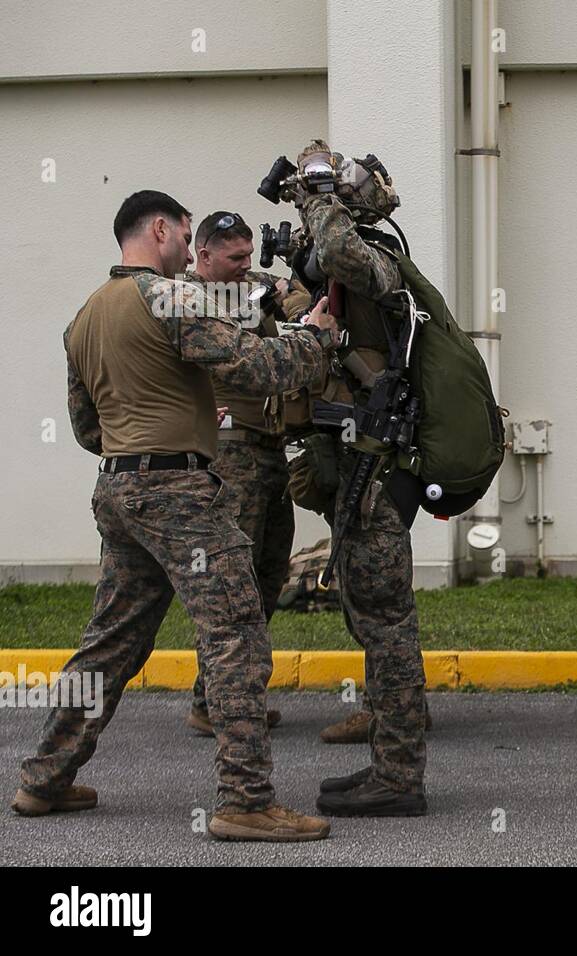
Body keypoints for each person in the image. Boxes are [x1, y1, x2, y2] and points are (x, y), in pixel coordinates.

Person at [13, 190, 337, 841]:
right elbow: (255, 367)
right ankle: (244, 801)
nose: (190, 251)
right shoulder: (170, 298)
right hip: (180, 494)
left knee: (111, 641)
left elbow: (86, 429)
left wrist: (140, 436)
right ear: (157, 229)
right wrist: (315, 338)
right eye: (185, 236)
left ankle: (44, 778)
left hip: (119, 490)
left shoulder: (85, 317)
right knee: (236, 629)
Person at [280, 141, 429, 817]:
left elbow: (338, 254)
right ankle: (389, 767)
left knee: (388, 623)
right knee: (372, 617)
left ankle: (399, 778)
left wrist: (315, 195)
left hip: (381, 466)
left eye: (334, 195)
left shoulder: (379, 261)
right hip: (360, 462)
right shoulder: (352, 266)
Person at [182, 210, 313, 738]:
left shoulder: (251, 285)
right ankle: (214, 702)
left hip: (270, 449)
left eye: (246, 256)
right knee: (229, 584)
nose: (243, 267)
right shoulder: (183, 299)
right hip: (226, 455)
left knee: (267, 573)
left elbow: (296, 298)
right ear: (203, 255)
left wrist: (296, 295)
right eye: (231, 259)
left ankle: (234, 695)